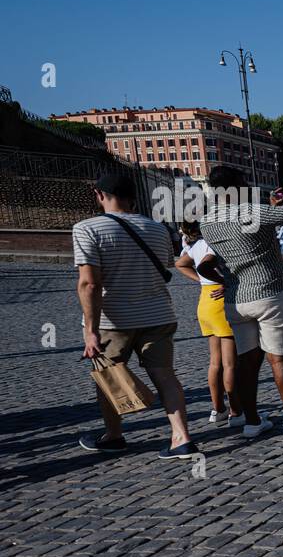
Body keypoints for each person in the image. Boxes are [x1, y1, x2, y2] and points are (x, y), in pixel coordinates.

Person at [73, 172, 198, 458]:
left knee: (109, 377)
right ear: (133, 198)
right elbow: (167, 263)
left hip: (112, 321)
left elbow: (90, 283)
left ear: (99, 195)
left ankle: (114, 435)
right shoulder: (158, 229)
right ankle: (181, 438)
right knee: (166, 377)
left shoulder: (87, 228)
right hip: (158, 314)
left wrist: (90, 330)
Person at [196, 165, 283, 437]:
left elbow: (210, 262)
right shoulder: (252, 211)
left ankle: (251, 422)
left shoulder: (207, 221)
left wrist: (224, 281)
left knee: (246, 363)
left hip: (236, 300)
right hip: (270, 293)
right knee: (280, 360)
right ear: (237, 185)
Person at [176, 221, 242, 424]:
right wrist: (223, 281)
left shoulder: (195, 245)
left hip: (205, 301)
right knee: (230, 364)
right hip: (219, 302)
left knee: (215, 362)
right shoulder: (215, 244)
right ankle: (236, 412)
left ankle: (217, 409)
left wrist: (201, 281)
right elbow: (205, 266)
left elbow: (180, 264)